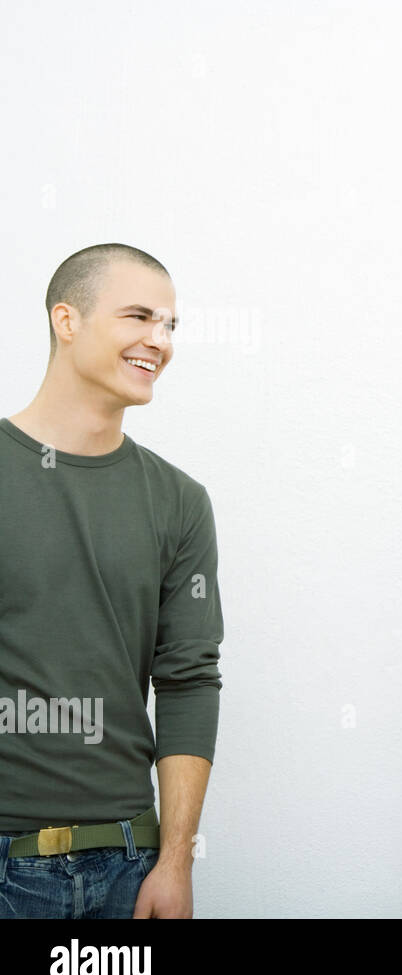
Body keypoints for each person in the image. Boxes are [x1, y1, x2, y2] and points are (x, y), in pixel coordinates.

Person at [0, 244, 223, 919]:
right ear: (67, 320)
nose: (160, 340)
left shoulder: (180, 499)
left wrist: (175, 860)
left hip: (130, 864)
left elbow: (188, 679)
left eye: (171, 325)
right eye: (139, 316)